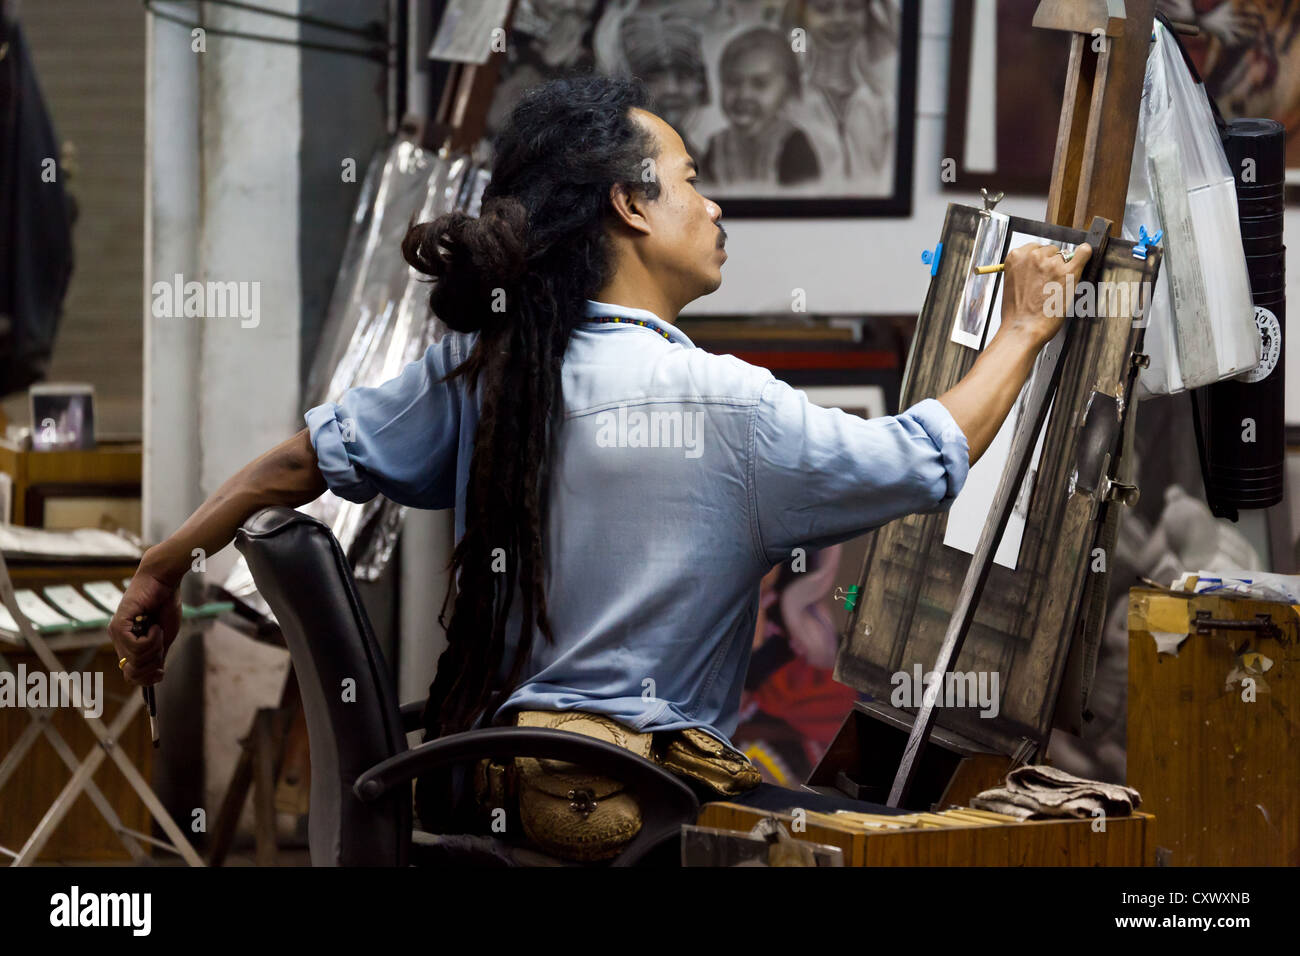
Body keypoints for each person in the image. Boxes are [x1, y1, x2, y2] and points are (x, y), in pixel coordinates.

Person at [111, 72, 1090, 851]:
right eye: (693, 178)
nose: (714, 208)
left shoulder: (492, 366)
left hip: (499, 785)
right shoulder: (724, 404)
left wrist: (164, 560)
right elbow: (924, 455)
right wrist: (1024, 328)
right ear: (629, 204)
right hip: (629, 814)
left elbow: (296, 464)